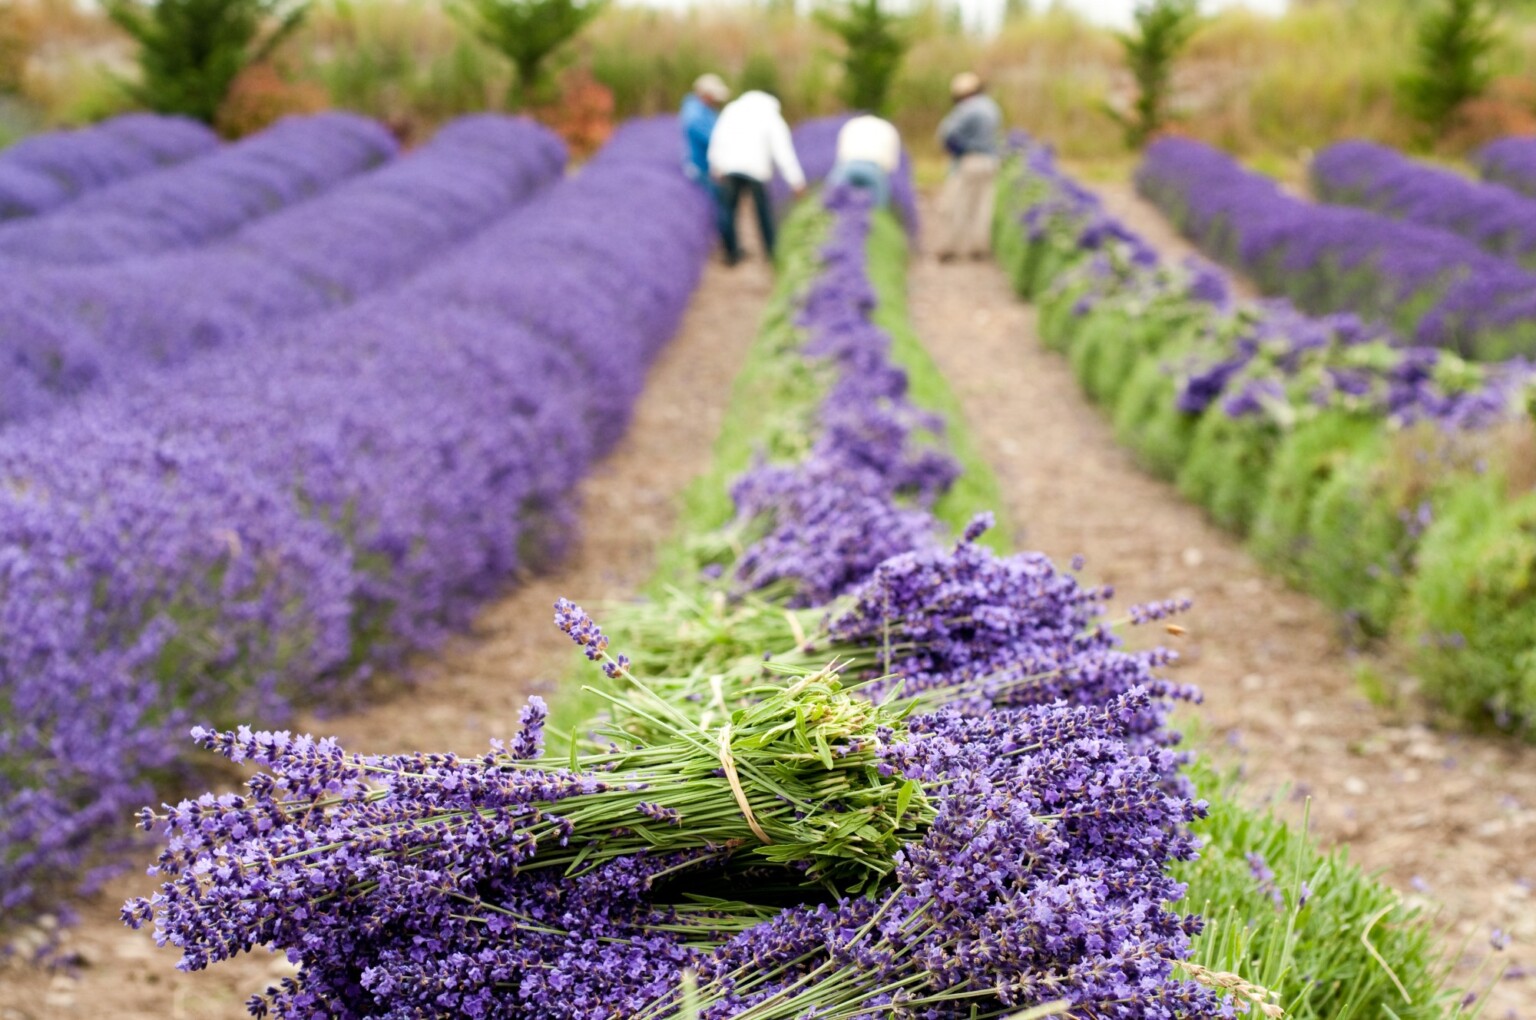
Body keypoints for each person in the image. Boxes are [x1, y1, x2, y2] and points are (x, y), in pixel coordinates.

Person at [707, 90, 805, 265]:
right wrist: (796, 181)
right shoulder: (770, 115)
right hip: (756, 170)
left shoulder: (732, 110)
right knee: (763, 213)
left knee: (728, 210)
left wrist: (715, 164)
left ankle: (731, 252)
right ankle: (771, 253)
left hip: (730, 166)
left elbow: (718, 138)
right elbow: (783, 150)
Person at [935, 71, 1003, 261]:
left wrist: (955, 149)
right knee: (983, 207)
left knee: (957, 205)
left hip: (969, 160)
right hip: (990, 160)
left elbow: (947, 133)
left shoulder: (966, 108)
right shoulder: (992, 107)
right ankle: (979, 248)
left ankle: (950, 247)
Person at [827, 114, 901, 210]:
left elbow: (840, 155)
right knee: (879, 207)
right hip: (874, 170)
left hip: (848, 167)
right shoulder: (888, 128)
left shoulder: (852, 124)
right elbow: (891, 165)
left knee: (831, 196)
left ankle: (824, 215)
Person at [680, 73, 730, 191]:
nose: (717, 101)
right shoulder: (696, 115)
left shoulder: (703, 108)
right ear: (707, 95)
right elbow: (714, 140)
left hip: (705, 165)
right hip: (700, 166)